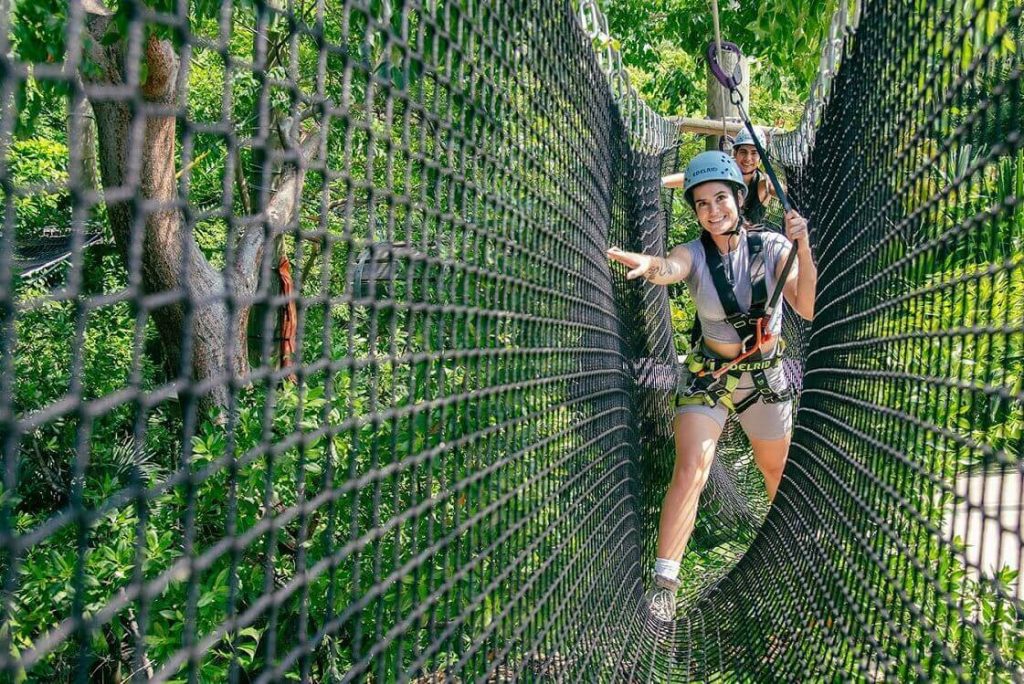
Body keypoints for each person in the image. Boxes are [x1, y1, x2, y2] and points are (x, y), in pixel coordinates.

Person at [606, 151, 817, 622]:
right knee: (693, 468)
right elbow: (671, 267)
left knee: (776, 472)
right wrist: (650, 265)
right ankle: (665, 584)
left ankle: (795, 564)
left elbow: (804, 306)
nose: (713, 210)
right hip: (710, 375)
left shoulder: (774, 248)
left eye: (721, 198)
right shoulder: (694, 253)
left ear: (739, 199)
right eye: (701, 203)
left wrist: (803, 247)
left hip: (763, 373)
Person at [731, 126, 784, 226]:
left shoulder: (763, 183)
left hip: (750, 239)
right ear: (735, 153)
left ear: (761, 157)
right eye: (743, 152)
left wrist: (777, 188)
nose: (748, 158)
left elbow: (781, 191)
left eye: (754, 153)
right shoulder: (725, 179)